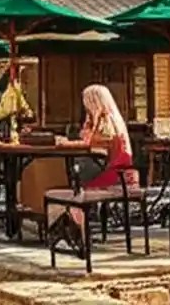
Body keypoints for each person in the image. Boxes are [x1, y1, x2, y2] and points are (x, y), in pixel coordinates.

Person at [49, 84, 136, 254]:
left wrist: (70, 141)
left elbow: (94, 143)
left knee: (71, 186)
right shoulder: (105, 118)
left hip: (114, 173)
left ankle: (76, 234)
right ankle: (71, 230)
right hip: (109, 168)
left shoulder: (106, 120)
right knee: (73, 181)